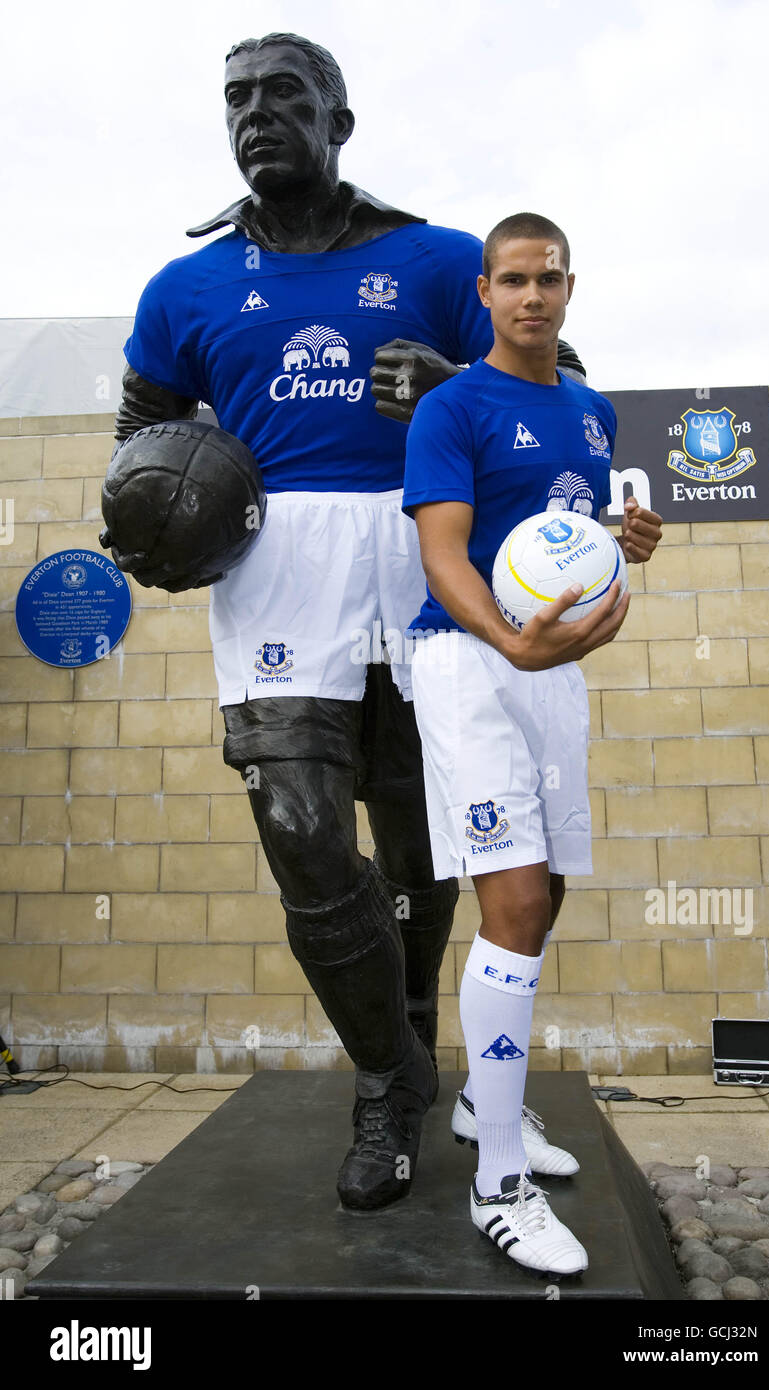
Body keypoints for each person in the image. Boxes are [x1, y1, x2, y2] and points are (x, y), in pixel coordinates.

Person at [108, 30, 588, 1214]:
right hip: (277, 569)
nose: (256, 113)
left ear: (339, 121)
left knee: (427, 856)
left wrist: (455, 385)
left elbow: (562, 377)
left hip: (425, 548)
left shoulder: (434, 259)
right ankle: (390, 1076)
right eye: (237, 98)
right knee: (305, 834)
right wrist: (150, 520)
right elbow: (140, 438)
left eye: (285, 94)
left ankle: (426, 1047)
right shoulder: (186, 287)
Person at [402, 212, 662, 1272]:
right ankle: (497, 1180)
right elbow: (444, 555)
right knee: (507, 902)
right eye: (512, 279)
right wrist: (510, 640)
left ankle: (478, 1101)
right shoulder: (450, 405)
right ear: (483, 291)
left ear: (569, 287)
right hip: (468, 664)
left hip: (552, 671)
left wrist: (627, 540)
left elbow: (576, 536)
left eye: (549, 278)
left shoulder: (592, 409)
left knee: (543, 893)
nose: (532, 296)